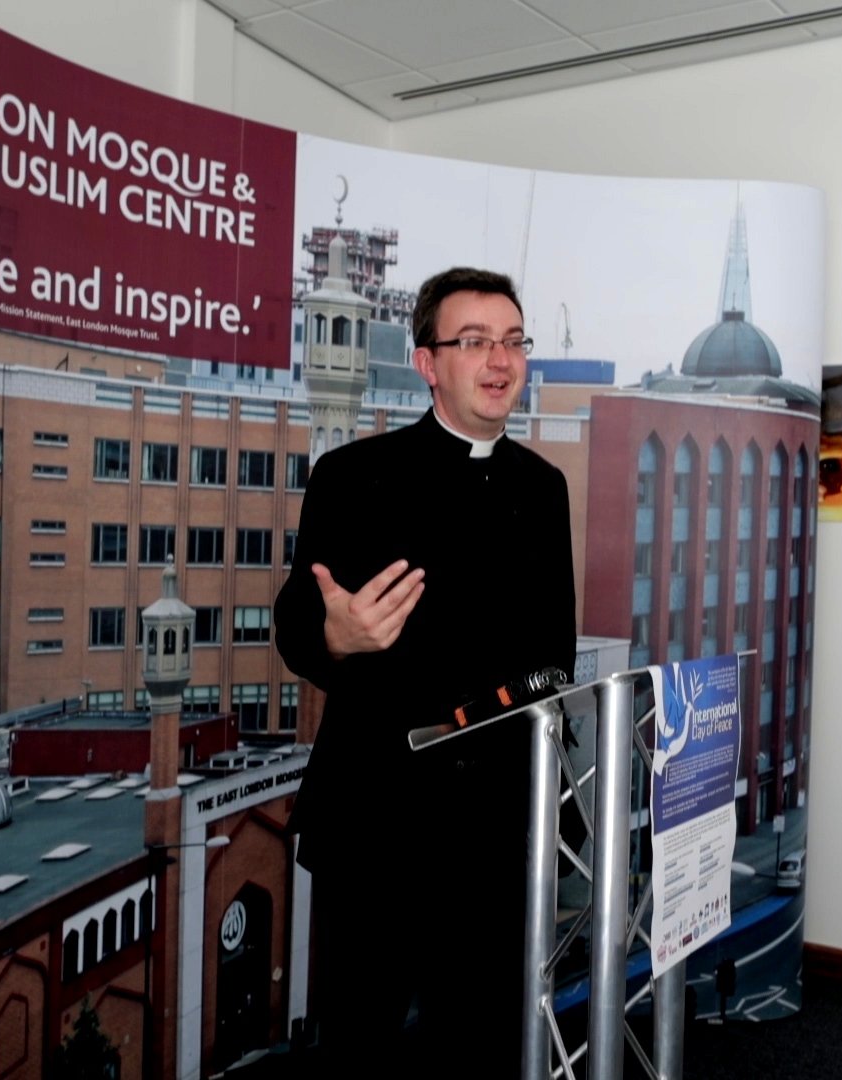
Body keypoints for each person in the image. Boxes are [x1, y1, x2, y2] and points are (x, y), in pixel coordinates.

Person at [274, 267, 576, 1077]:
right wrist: (335, 636)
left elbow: (556, 660)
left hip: (492, 835)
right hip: (378, 825)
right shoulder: (354, 475)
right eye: (473, 340)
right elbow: (297, 621)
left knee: (477, 1048)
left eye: (512, 341)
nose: (499, 359)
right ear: (426, 361)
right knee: (361, 1048)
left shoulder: (543, 491)